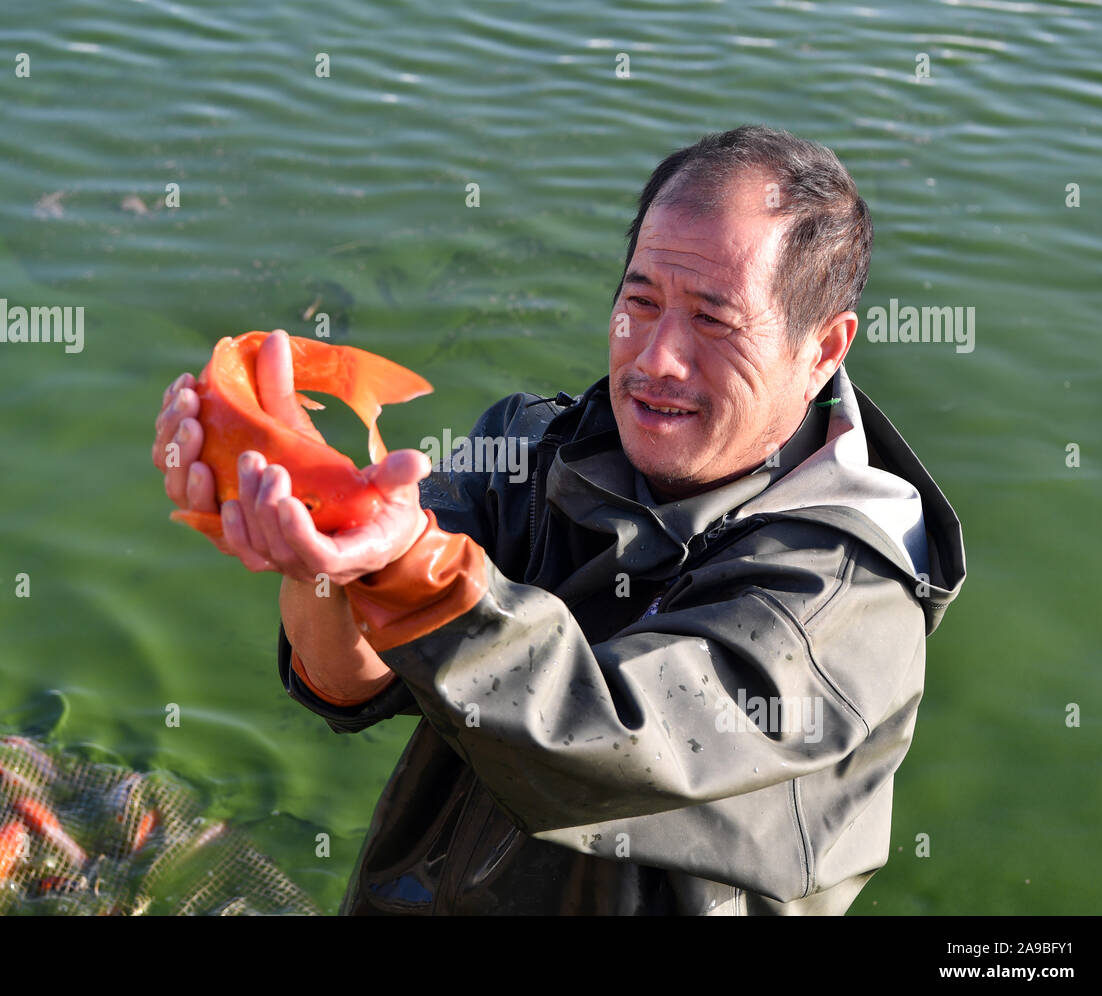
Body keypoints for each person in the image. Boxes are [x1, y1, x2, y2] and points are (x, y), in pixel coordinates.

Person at [151, 125, 966, 915]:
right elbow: (346, 680)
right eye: (640, 301)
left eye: (714, 320)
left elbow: (610, 743)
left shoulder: (846, 598)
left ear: (824, 348)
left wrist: (410, 567)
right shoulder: (528, 448)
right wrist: (319, 541)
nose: (655, 359)